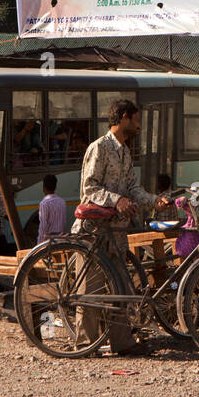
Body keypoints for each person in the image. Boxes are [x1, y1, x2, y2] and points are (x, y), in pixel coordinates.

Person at [71, 98, 169, 355]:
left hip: (116, 232)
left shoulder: (125, 151)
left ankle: (123, 343)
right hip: (93, 231)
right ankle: (85, 345)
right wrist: (118, 200)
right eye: (136, 120)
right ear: (124, 118)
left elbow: (132, 189)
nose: (139, 126)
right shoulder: (99, 148)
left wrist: (153, 202)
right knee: (90, 292)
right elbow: (90, 188)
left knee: (121, 289)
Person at [38, 173, 67, 240]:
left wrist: (39, 242)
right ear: (55, 187)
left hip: (49, 241)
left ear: (43, 187)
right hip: (60, 239)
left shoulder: (44, 203)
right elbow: (64, 221)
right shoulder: (62, 201)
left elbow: (43, 226)